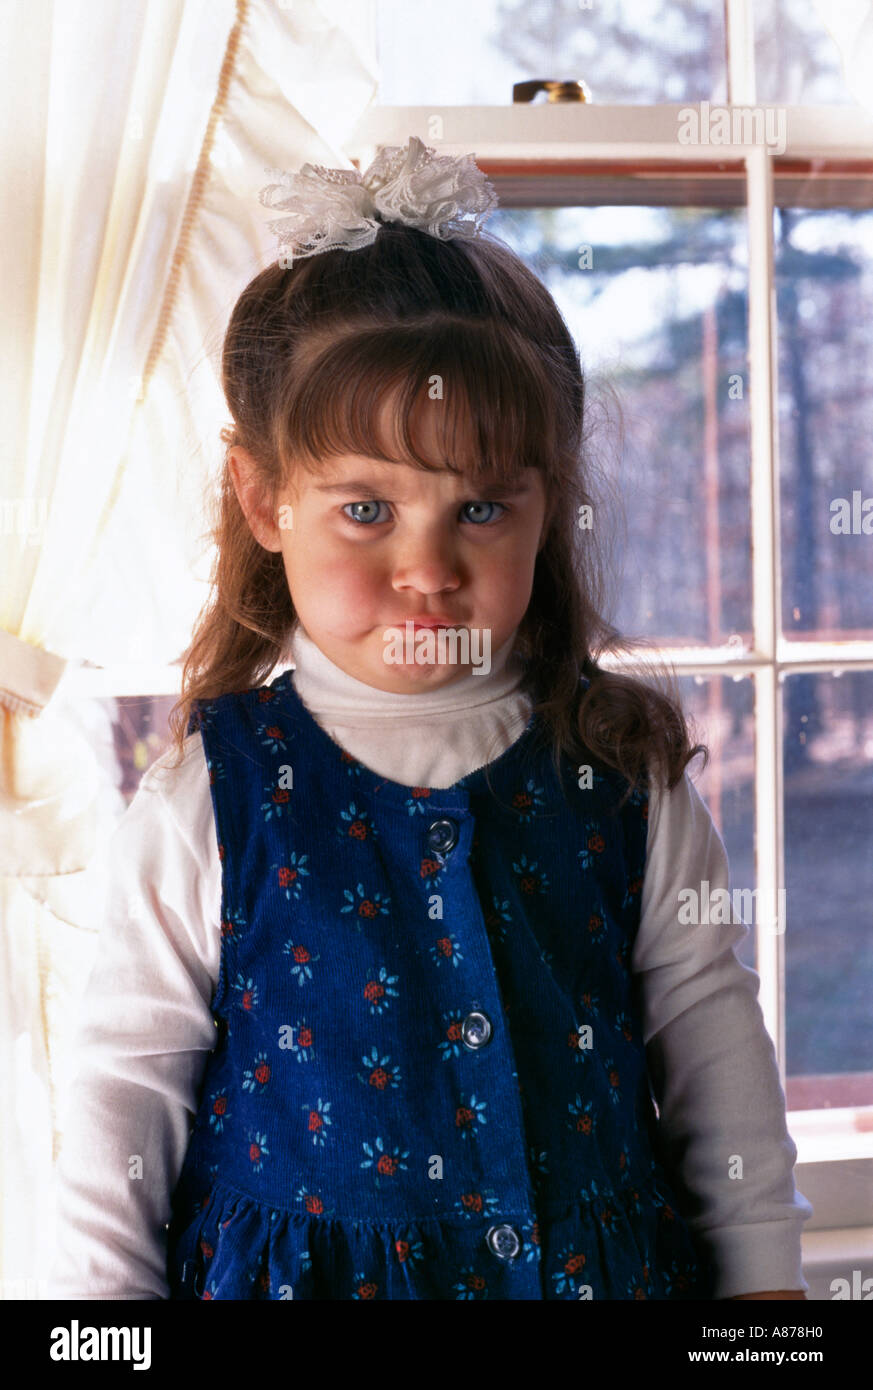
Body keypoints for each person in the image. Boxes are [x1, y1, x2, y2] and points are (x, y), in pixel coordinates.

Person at [47, 136, 811, 1301]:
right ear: (265, 499)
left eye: (483, 507)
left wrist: (767, 1303)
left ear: (548, 506)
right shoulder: (213, 798)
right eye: (366, 507)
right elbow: (121, 1101)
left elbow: (719, 1068)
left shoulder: (622, 773)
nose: (428, 567)